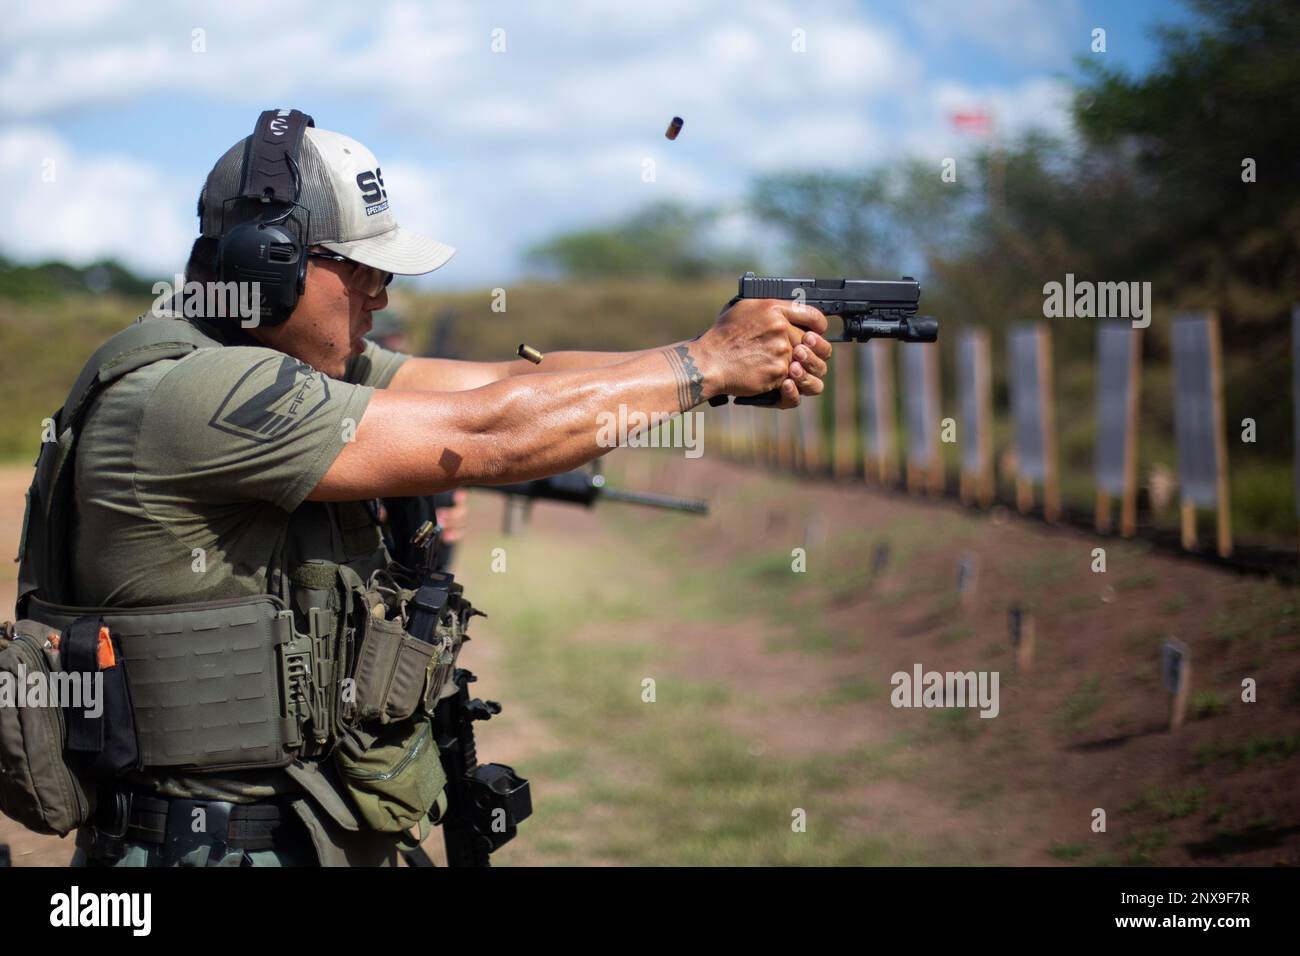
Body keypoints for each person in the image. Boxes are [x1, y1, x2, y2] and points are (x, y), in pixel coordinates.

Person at [14, 109, 831, 866]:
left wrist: (711, 360)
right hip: (211, 847)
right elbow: (485, 435)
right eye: (362, 269)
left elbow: (505, 383)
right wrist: (705, 365)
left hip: (311, 827)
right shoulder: (197, 395)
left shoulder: (294, 364)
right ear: (271, 264)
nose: (383, 293)